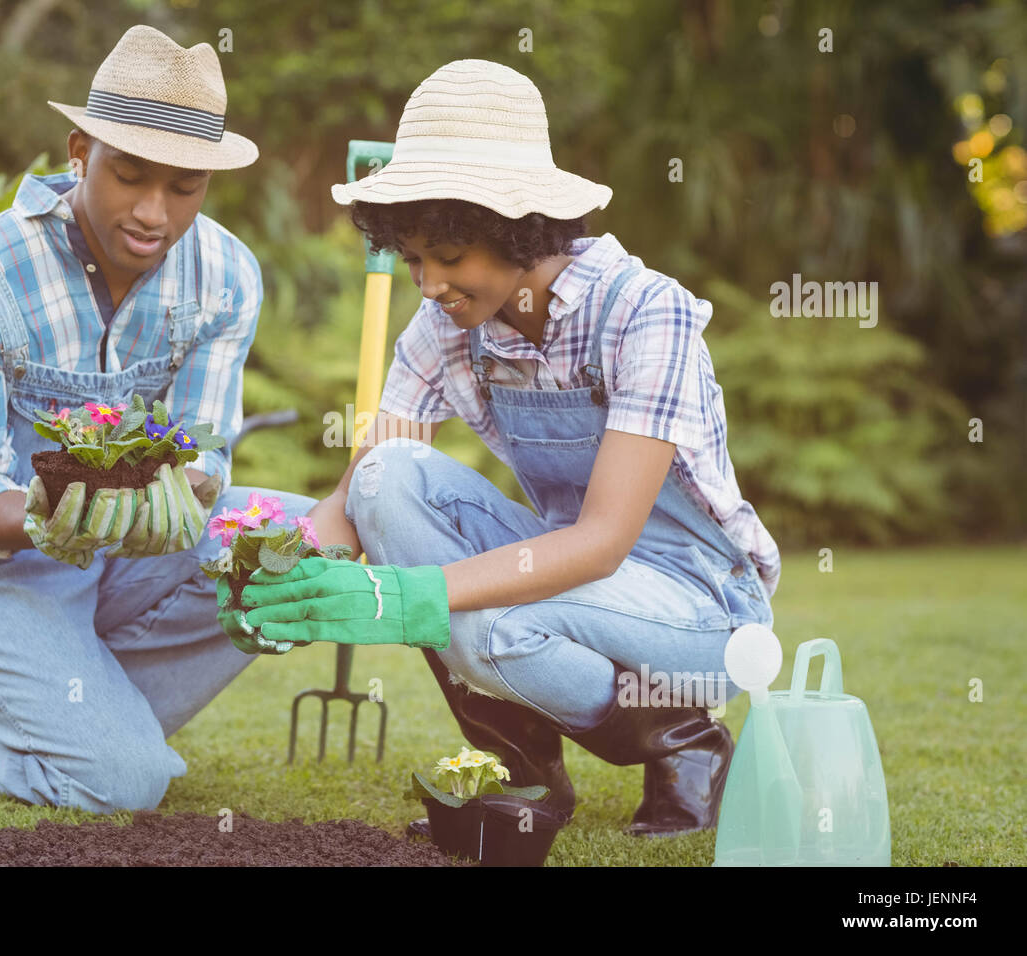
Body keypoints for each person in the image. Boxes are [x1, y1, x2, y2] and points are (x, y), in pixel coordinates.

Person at [219, 59, 780, 837]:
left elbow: (603, 541)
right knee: (388, 477)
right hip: (559, 574)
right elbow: (358, 497)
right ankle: (527, 772)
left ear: (514, 229)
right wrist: (280, 575)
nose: (427, 285)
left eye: (447, 259)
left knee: (481, 626)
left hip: (697, 610)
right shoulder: (446, 331)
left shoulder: (647, 314)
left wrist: (411, 598)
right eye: (412, 259)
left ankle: (681, 732)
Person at [0, 26, 312, 812]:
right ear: (79, 151)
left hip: (120, 546)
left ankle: (21, 708)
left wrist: (172, 496)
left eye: (184, 189)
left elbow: (203, 454)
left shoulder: (225, 275)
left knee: (286, 537)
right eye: (129, 176)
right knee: (128, 782)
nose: (154, 213)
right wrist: (65, 515)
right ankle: (32, 725)